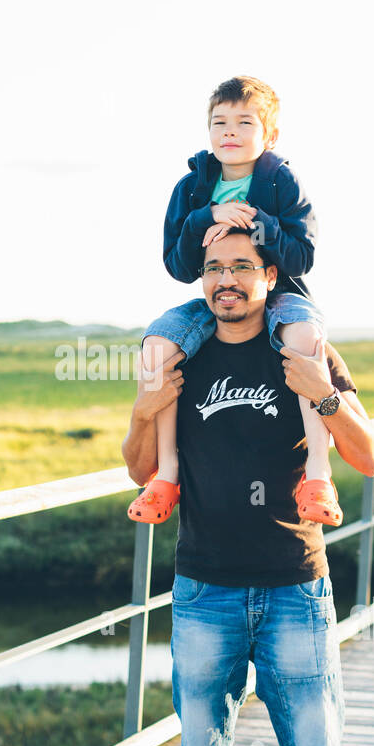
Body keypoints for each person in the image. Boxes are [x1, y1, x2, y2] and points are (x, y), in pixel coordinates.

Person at [121, 227, 374, 746]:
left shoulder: (302, 346)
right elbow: (136, 467)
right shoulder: (182, 352)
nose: (225, 280)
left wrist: (325, 396)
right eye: (213, 269)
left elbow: (369, 457)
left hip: (296, 584)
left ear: (271, 275)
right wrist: (144, 408)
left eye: (241, 267)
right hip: (204, 586)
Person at [127, 74, 344, 529]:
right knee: (155, 349)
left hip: (277, 292)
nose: (230, 131)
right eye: (219, 122)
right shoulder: (192, 186)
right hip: (214, 292)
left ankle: (318, 475)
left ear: (270, 135)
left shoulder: (281, 181)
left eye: (245, 122)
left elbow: (301, 257)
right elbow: (179, 264)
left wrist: (256, 223)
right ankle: (166, 473)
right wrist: (206, 216)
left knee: (306, 335)